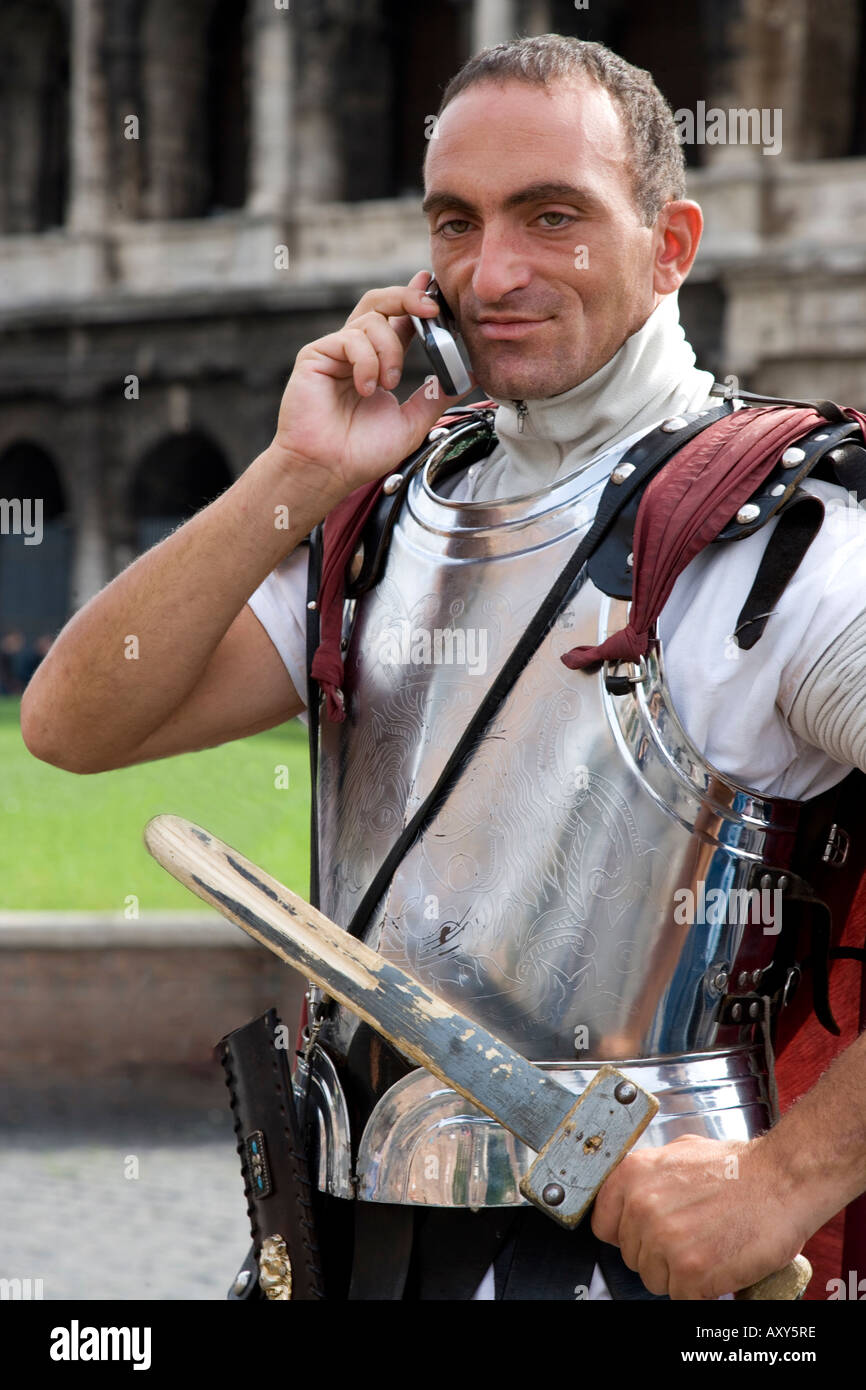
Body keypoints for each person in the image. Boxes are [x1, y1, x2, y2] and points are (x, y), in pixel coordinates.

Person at [20, 35, 866, 1301]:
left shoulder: (784, 537)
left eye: (552, 216)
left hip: (637, 1253)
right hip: (333, 1239)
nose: (493, 271)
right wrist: (296, 476)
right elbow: (74, 718)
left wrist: (785, 1181)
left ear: (670, 243)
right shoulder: (385, 517)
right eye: (456, 222)